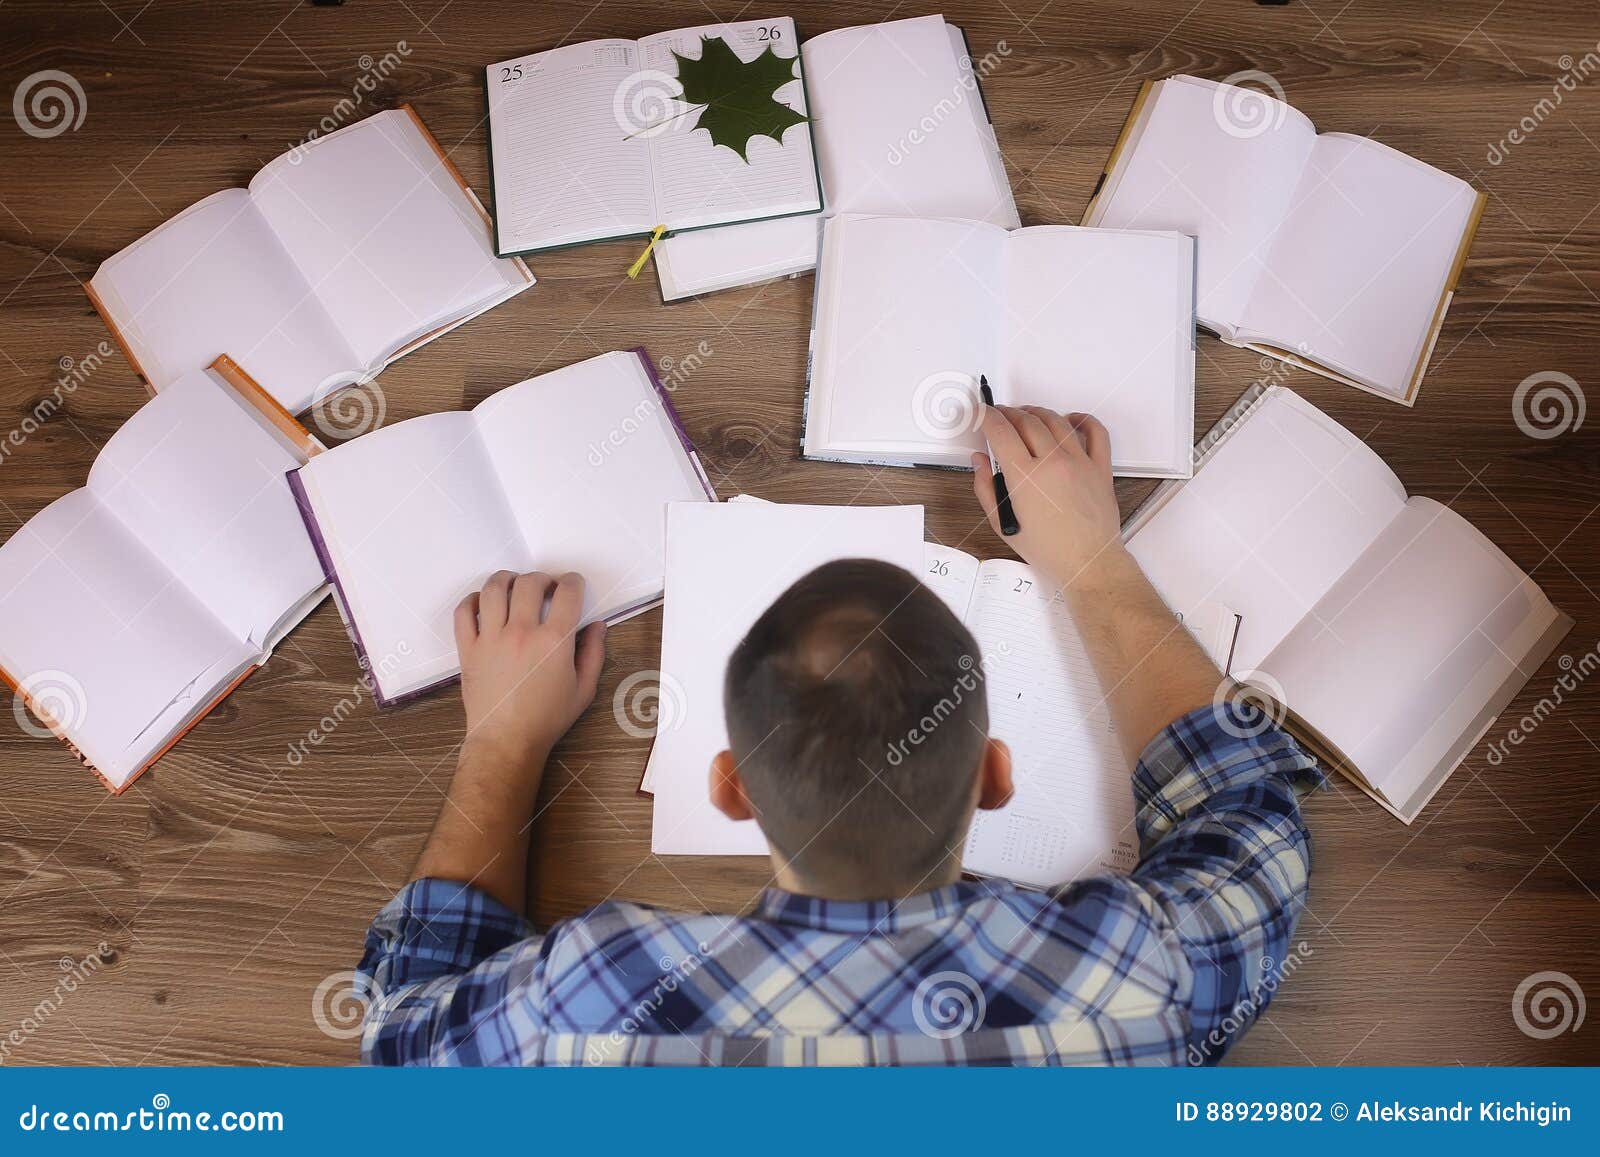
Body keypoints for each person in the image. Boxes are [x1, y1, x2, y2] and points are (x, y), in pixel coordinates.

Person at [355, 405, 1318, 1066]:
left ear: (730, 786)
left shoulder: (594, 995)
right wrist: (1093, 558)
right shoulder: (1135, 981)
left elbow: (403, 1044)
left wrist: (504, 741)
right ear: (993, 775)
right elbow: (1247, 812)